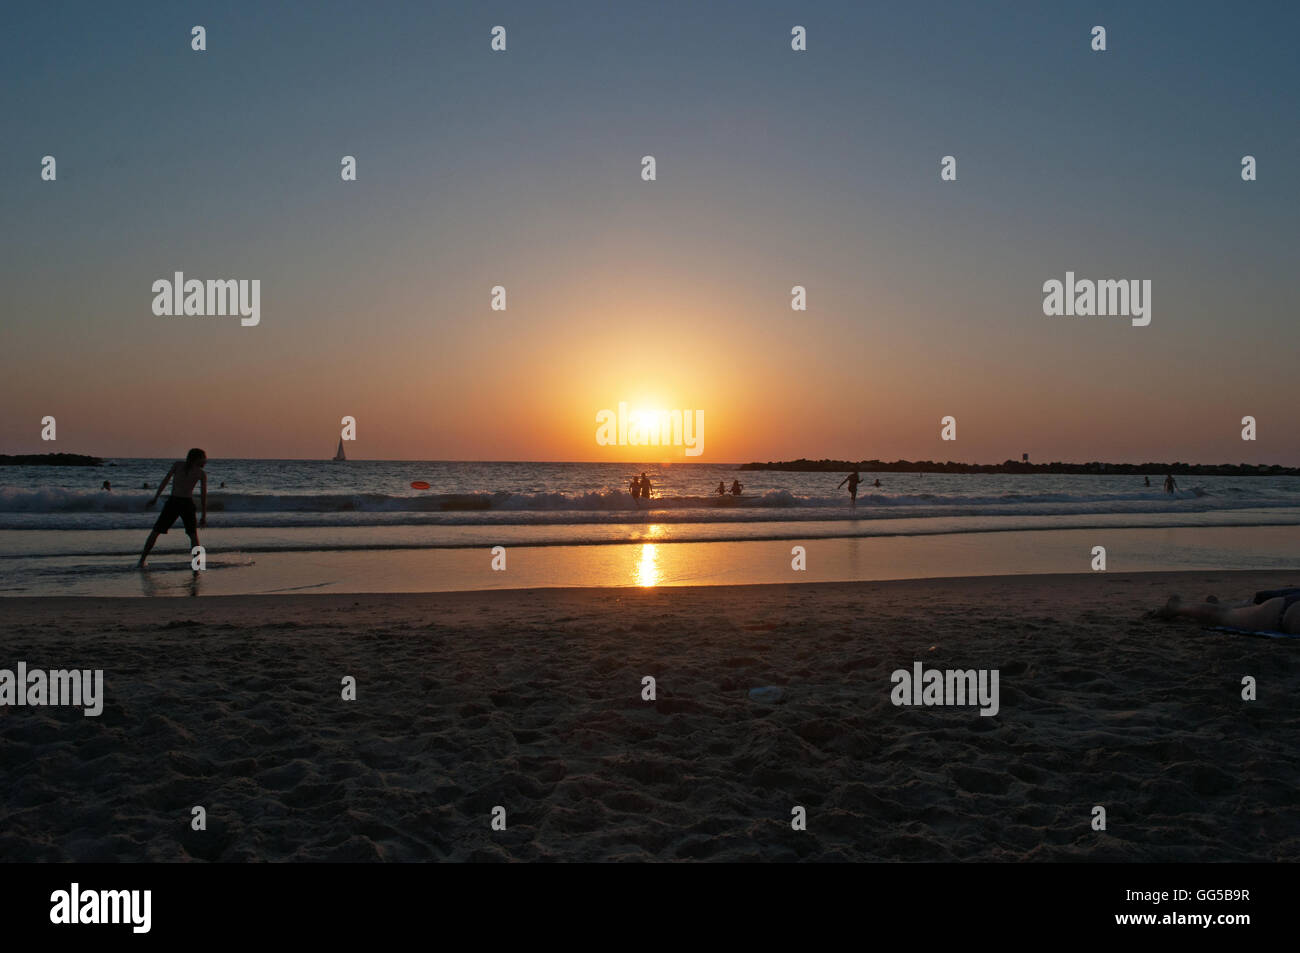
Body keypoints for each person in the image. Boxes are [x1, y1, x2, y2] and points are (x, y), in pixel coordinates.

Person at [137, 448, 207, 568]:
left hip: (174, 501)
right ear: (197, 458)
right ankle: (197, 564)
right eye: (203, 457)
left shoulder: (179, 465)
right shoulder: (200, 473)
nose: (205, 460)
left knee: (156, 531)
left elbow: (165, 482)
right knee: (192, 535)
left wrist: (156, 497)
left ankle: (142, 560)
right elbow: (203, 495)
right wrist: (203, 515)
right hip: (185, 503)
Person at [1155, 587, 1300, 635]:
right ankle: (1177, 607)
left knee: (1225, 613)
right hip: (1283, 613)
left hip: (1287, 608)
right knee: (1222, 616)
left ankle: (1224, 605)